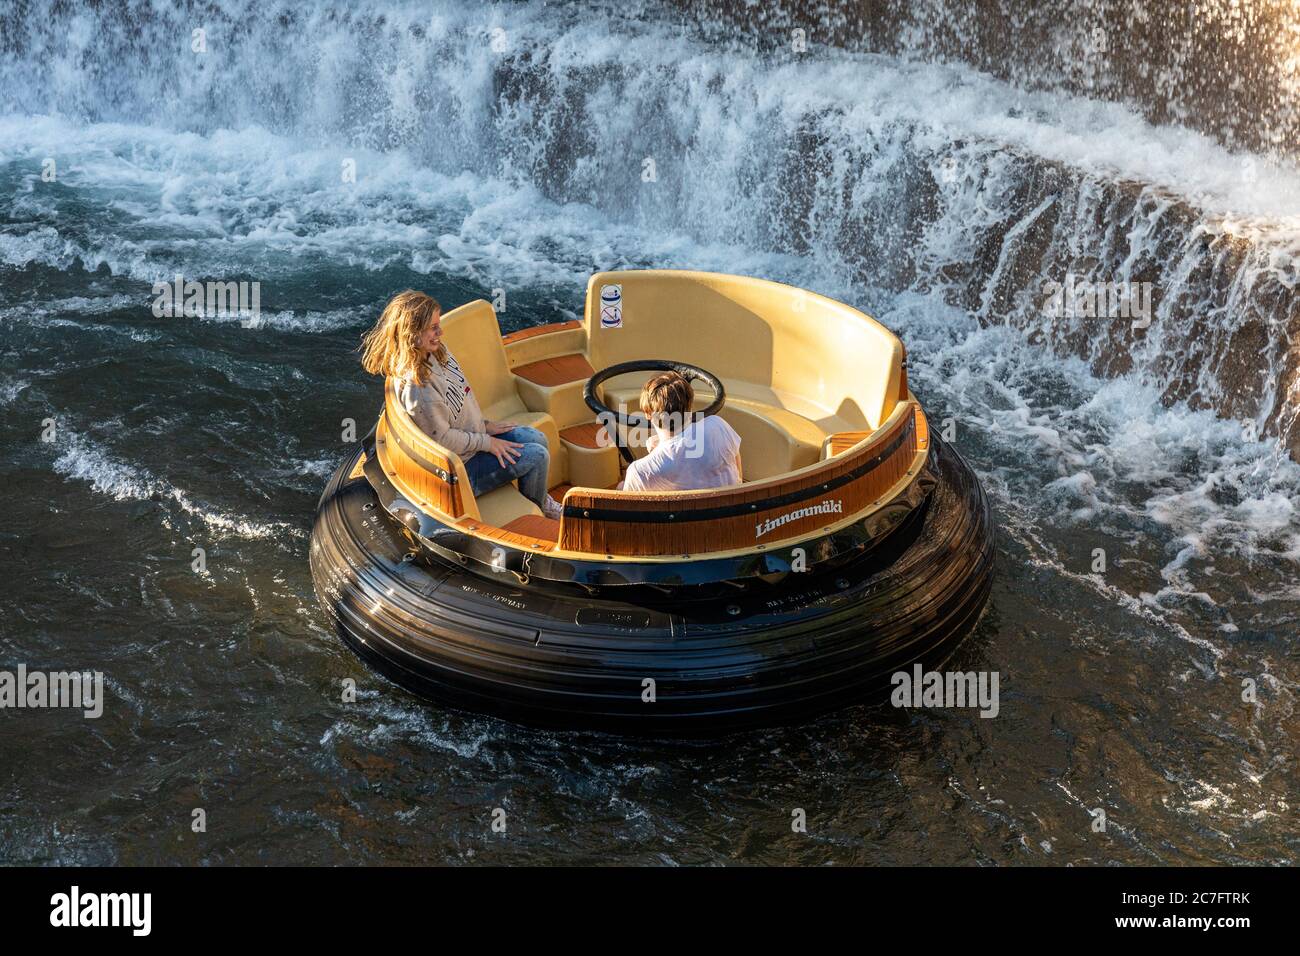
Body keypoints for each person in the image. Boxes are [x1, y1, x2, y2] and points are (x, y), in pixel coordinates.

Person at [360, 290, 563, 519]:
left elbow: (460, 402)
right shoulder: (419, 390)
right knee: (536, 455)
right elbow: (443, 442)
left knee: (537, 437)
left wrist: (485, 426)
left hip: (471, 445)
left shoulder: (436, 353)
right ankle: (536, 510)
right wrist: (487, 443)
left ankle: (536, 495)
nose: (440, 332)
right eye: (433, 328)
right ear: (412, 334)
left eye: (438, 324)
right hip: (460, 473)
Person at [620, 371, 742, 492]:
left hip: (679, 511)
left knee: (621, 486)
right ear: (689, 406)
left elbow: (629, 509)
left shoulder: (640, 472)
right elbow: (739, 478)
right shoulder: (718, 425)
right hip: (736, 509)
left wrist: (658, 452)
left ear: (647, 414)